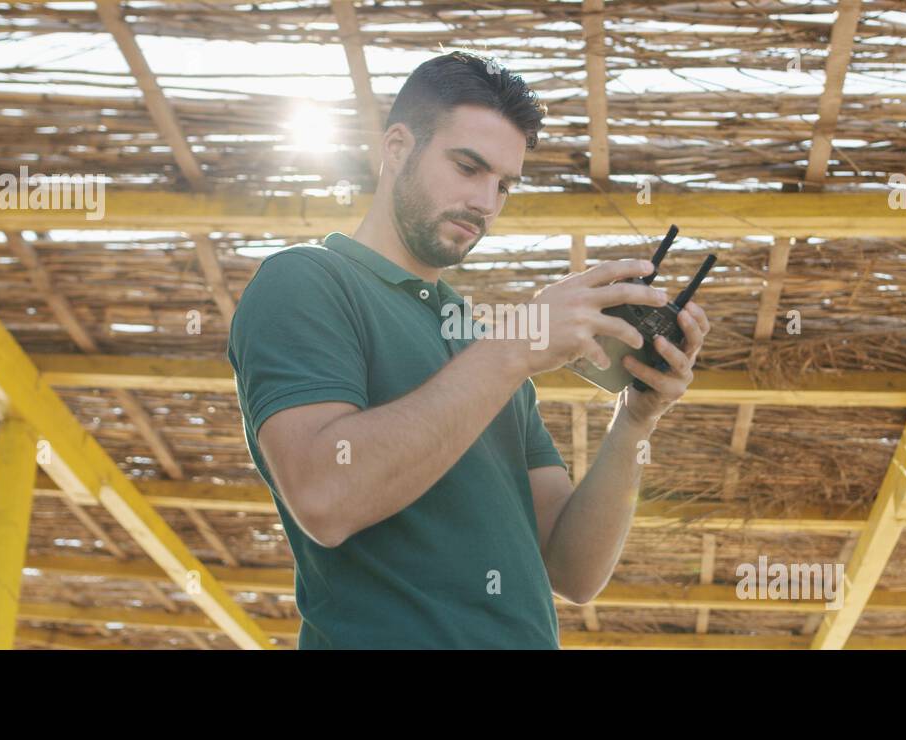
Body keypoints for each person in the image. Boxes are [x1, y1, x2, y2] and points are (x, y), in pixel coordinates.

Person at [228, 50, 709, 648]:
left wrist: (635, 420)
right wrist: (514, 349)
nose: (486, 203)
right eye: (467, 167)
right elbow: (327, 497)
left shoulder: (481, 344)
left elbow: (573, 572)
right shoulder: (305, 281)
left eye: (504, 185)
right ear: (397, 147)